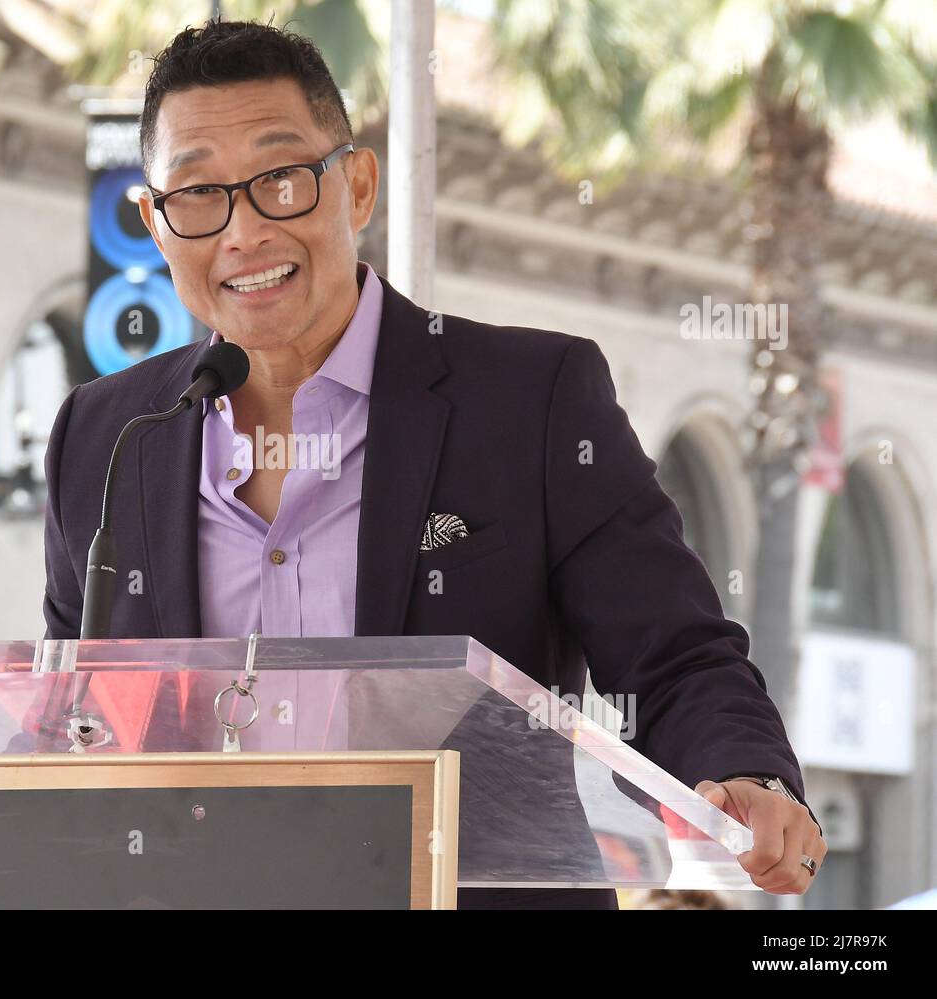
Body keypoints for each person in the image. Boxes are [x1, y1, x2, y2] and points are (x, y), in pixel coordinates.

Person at [42, 18, 826, 909]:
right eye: (197, 194)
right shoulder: (105, 437)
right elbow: (72, 718)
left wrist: (746, 773)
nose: (244, 230)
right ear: (152, 220)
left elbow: (675, 656)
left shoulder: (531, 401)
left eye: (282, 180)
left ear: (359, 185)